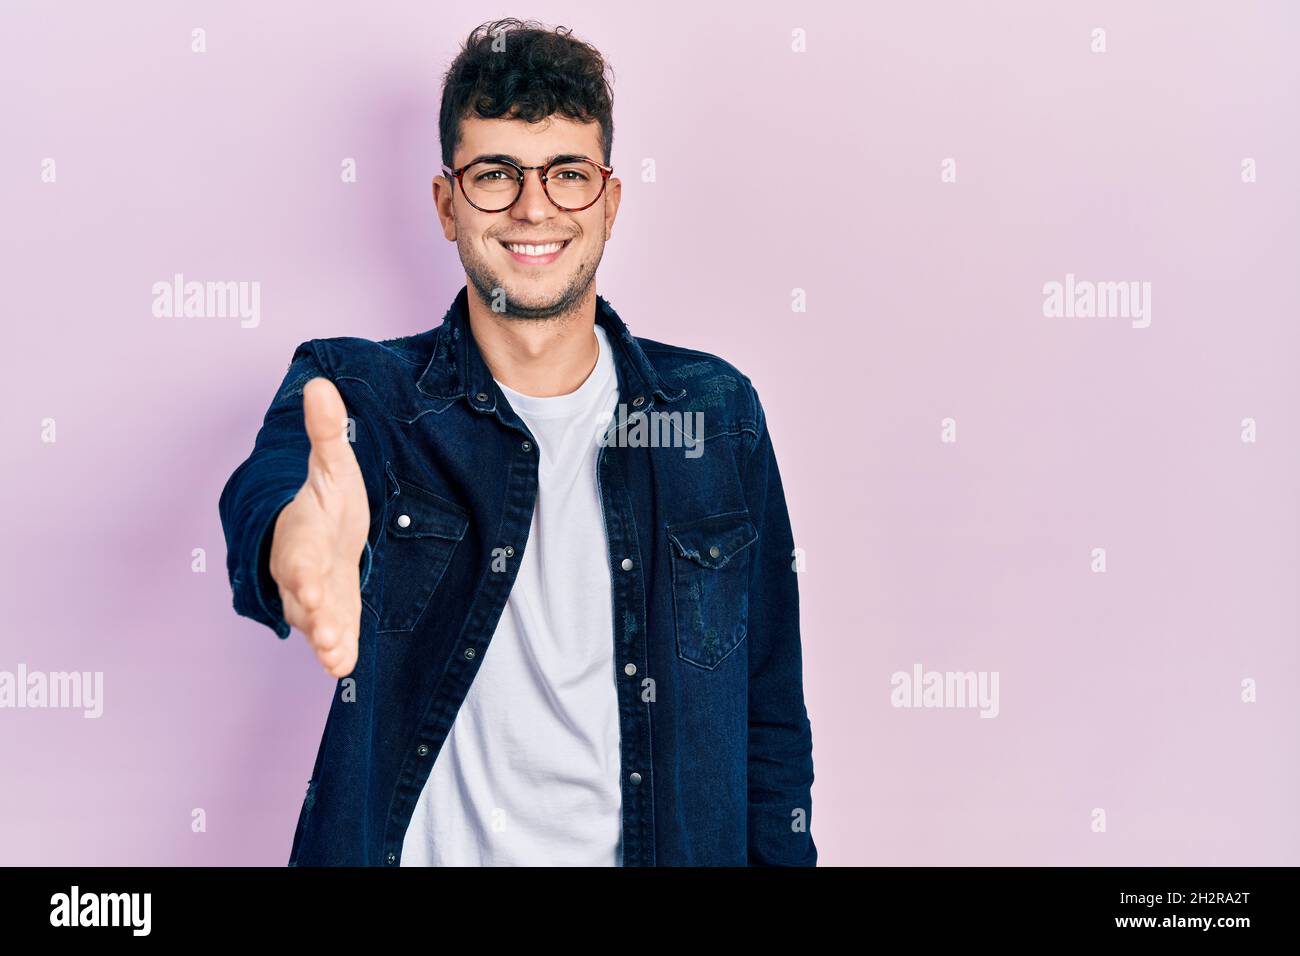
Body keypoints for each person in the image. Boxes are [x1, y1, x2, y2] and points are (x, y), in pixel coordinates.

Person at [218, 17, 816, 867]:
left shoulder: (717, 419)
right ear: (445, 204)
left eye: (567, 174)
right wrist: (293, 546)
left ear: (608, 202)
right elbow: (270, 492)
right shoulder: (363, 395)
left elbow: (771, 727)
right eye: (495, 174)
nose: (534, 207)